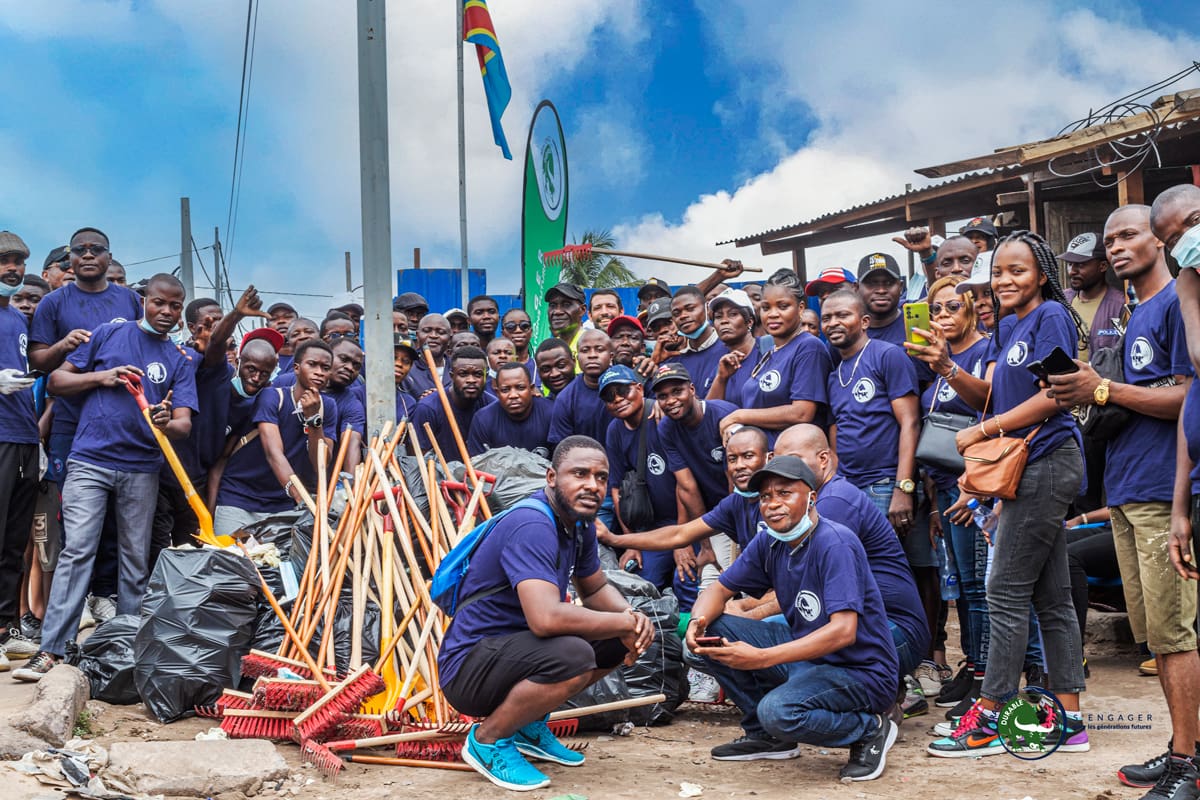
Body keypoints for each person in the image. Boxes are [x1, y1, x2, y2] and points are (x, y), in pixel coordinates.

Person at [1046, 205, 1197, 797]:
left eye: (1128, 234)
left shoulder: (1176, 303)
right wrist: (1088, 387)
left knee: (1175, 634)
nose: (1115, 247)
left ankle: (1189, 764)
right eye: (1109, 240)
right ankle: (1183, 747)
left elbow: (1188, 396)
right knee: (1156, 637)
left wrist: (1104, 388)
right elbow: (1133, 396)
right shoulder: (1136, 315)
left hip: (1162, 489)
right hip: (1129, 491)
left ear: (1160, 240)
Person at [929, 230, 1090, 758]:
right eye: (997, 272)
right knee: (1051, 596)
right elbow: (991, 395)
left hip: (1047, 460)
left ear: (1041, 274)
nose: (1003, 281)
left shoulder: (1051, 316)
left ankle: (993, 714)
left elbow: (1056, 395)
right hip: (1023, 466)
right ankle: (1068, 720)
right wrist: (948, 368)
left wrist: (984, 430)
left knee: (1003, 589)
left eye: (1016, 271)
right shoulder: (1007, 326)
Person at [437, 436, 654, 792]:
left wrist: (632, 619)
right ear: (552, 477)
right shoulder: (533, 525)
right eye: (580, 474)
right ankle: (488, 740)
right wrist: (623, 622)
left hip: (514, 652)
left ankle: (527, 726)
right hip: (468, 668)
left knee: (615, 639)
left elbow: (594, 589)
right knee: (574, 655)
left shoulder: (579, 525)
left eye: (601, 477)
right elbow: (546, 619)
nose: (592, 485)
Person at [17, 275, 198, 681]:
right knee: (77, 551)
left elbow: (184, 423)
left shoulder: (180, 358)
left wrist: (166, 422)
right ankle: (52, 650)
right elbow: (58, 381)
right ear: (143, 301)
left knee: (134, 560)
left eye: (175, 306)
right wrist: (103, 376)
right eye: (159, 302)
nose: (166, 312)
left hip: (142, 467)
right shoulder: (108, 334)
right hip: (89, 460)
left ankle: (125, 653)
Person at [688, 456, 899, 782]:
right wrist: (695, 623)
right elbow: (718, 589)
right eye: (765, 497)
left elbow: (843, 632)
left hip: (861, 671)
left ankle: (870, 729)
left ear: (811, 497)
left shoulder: (835, 542)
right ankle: (767, 737)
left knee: (778, 712)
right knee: (708, 634)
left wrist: (761, 658)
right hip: (808, 656)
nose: (772, 504)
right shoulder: (770, 540)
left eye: (784, 493)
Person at [28, 228, 143, 627]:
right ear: (70, 259)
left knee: (113, 516)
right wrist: (65, 345)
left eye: (97, 249)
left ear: (109, 256)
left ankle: (104, 595)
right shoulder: (54, 303)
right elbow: (39, 361)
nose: (89, 255)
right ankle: (71, 606)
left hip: (119, 422)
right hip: (71, 421)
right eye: (80, 250)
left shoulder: (129, 300)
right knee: (71, 518)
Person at [774, 425, 929, 689]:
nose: (784, 470)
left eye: (794, 460)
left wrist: (747, 613)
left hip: (892, 631)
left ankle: (872, 701)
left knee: (770, 644)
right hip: (855, 623)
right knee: (757, 633)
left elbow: (805, 588)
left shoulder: (834, 502)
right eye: (778, 462)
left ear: (823, 459)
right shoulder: (804, 503)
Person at [903, 278, 993, 715]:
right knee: (963, 589)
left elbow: (990, 404)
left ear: (973, 307)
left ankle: (987, 678)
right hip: (944, 488)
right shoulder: (938, 357)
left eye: (953, 306)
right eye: (935, 308)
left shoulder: (984, 351)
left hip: (975, 486)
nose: (942, 315)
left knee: (979, 587)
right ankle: (972, 666)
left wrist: (946, 366)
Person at [211, 339, 340, 537]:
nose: (319, 372)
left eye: (325, 368)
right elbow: (274, 453)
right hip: (239, 498)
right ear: (296, 368)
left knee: (279, 557)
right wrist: (300, 497)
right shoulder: (273, 397)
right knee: (230, 555)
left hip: (282, 505)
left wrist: (314, 420)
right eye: (312, 364)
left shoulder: (328, 407)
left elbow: (320, 463)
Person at [600, 365, 699, 609]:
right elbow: (616, 489)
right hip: (650, 526)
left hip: (687, 521)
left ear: (639, 388)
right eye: (609, 396)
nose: (618, 399)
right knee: (641, 585)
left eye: (623, 390)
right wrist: (631, 541)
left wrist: (681, 539)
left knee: (687, 579)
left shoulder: (661, 416)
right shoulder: (614, 430)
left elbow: (684, 483)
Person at [721, 269, 832, 444]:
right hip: (760, 454)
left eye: (783, 306)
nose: (772, 314)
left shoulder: (809, 347)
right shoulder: (770, 352)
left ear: (800, 308)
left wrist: (739, 416)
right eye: (766, 307)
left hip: (793, 454)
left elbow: (802, 413)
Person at [0, 232, 39, 665]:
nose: (13, 268)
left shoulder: (17, 317)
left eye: (18, 261)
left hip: (25, 436)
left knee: (15, 541)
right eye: (4, 261)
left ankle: (6, 629)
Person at [654, 364, 737, 513]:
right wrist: (703, 527)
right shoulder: (666, 428)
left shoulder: (723, 415)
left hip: (739, 501)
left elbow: (735, 479)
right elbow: (687, 486)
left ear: (692, 390)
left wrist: (733, 520)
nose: (671, 401)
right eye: (662, 396)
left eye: (677, 391)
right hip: (710, 508)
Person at [410, 346, 493, 462]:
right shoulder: (428, 408)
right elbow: (417, 459)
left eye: (478, 374)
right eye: (463, 374)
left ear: (486, 376)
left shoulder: (493, 407)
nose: (471, 380)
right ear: (451, 376)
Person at [466, 362, 554, 459]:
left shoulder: (552, 413)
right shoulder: (483, 420)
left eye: (520, 388)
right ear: (497, 393)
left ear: (532, 389)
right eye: (505, 390)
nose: (513, 395)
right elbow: (477, 463)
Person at [1060, 232, 1124, 363]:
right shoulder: (1061, 301)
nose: (1072, 271)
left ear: (1103, 266)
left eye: (1080, 265)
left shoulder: (1120, 306)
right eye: (1070, 264)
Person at [547, 330, 613, 446]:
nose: (592, 355)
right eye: (585, 350)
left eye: (599, 349)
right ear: (577, 358)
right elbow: (563, 447)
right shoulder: (565, 399)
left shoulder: (627, 387)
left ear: (611, 356)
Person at [668, 286, 728, 395]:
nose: (683, 316)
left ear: (707, 309)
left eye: (690, 309)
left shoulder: (730, 348)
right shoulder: (674, 362)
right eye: (676, 313)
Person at [706, 288, 760, 403]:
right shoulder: (718, 365)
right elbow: (711, 410)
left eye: (733, 314)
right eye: (718, 316)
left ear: (749, 322)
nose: (724, 321)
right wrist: (721, 378)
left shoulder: (770, 350)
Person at [856, 253, 906, 345]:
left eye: (889, 283)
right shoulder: (848, 331)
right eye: (871, 283)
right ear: (857, 288)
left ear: (901, 287)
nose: (881, 290)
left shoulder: (917, 323)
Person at [404, 313, 451, 397]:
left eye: (441, 332)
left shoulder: (456, 368)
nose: (433, 336)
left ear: (450, 339)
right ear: (417, 336)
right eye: (426, 331)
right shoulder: (407, 369)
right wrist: (424, 402)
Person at [545, 283, 587, 357]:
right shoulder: (549, 349)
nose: (557, 312)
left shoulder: (591, 345)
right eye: (552, 305)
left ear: (582, 310)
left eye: (566, 304)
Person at [393, 335, 418, 419]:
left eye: (406, 361)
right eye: (393, 357)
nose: (399, 364)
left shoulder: (409, 403)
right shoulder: (359, 395)